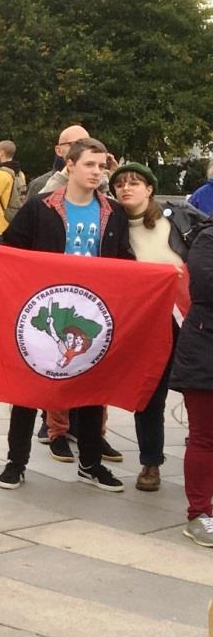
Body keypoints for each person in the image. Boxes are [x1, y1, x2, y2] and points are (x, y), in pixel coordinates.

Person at [0, 138, 132, 492]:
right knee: (30, 388)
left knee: (94, 388)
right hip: (47, 310)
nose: (97, 172)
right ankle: (16, 462)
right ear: (70, 165)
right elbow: (13, 250)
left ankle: (90, 464)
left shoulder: (113, 213)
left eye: (102, 166)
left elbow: (125, 261)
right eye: (89, 164)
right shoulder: (40, 209)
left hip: (94, 313)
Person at [110, 162, 208, 491]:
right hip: (148, 320)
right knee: (149, 393)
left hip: (189, 317)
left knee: (200, 391)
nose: (126, 188)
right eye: (120, 184)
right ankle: (150, 462)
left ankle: (202, 449)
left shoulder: (181, 215)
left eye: (134, 182)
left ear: (149, 188)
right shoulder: (113, 227)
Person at [169, 219, 213, 546]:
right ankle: (199, 514)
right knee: (205, 437)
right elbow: (206, 287)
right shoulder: (207, 239)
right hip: (204, 351)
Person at [26, 124, 90, 200]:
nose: (81, 149)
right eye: (74, 144)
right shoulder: (40, 184)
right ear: (58, 150)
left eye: (86, 144)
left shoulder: (96, 182)